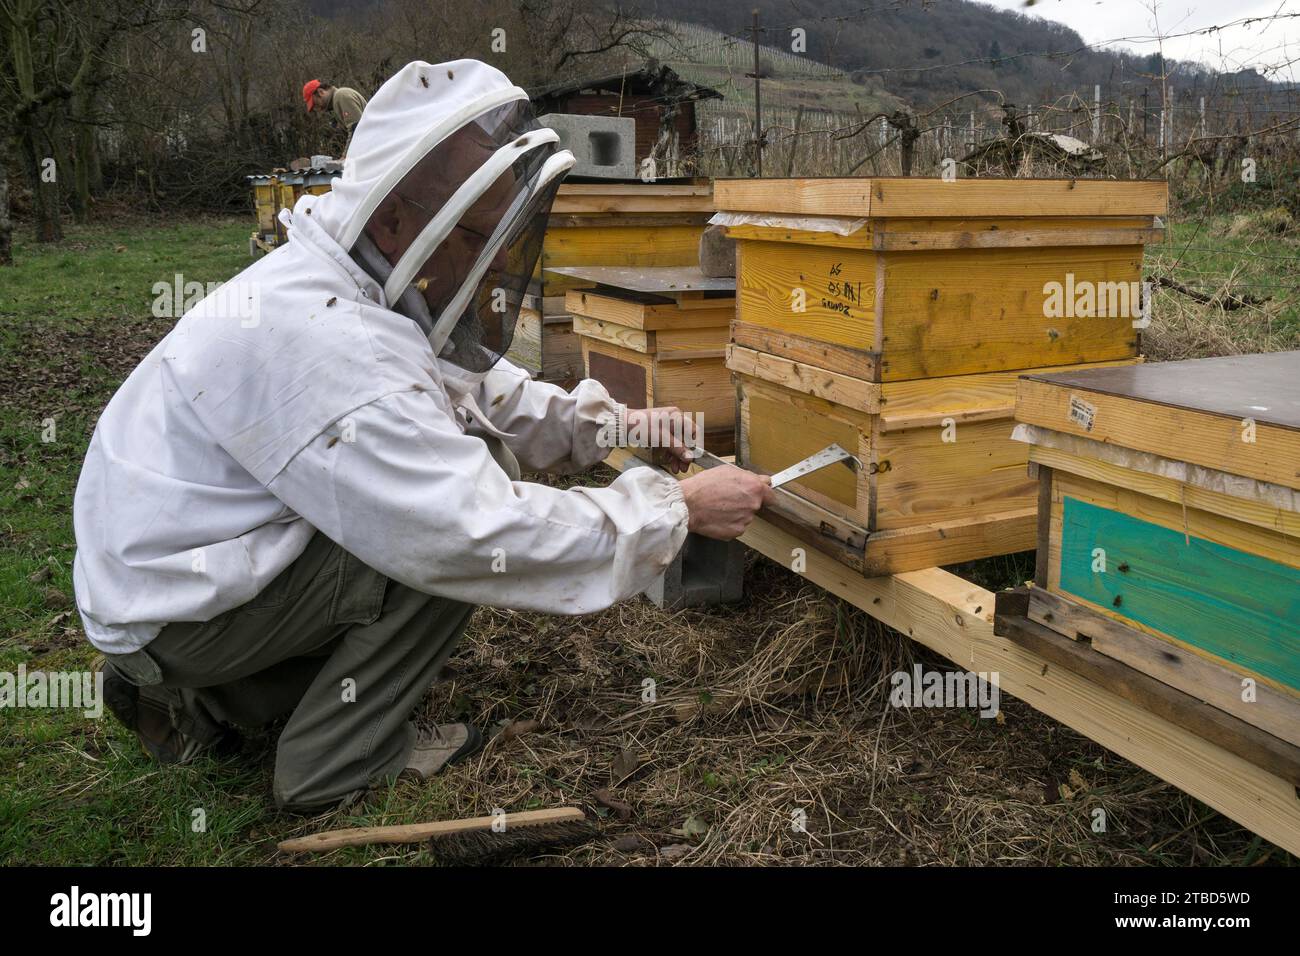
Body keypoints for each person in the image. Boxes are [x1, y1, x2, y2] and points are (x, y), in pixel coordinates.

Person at [73, 59, 773, 812]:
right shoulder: (331, 347)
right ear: (400, 216)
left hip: (169, 581)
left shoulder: (349, 280)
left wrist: (613, 427)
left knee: (446, 475)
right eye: (476, 234)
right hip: (174, 608)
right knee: (431, 538)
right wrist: (675, 509)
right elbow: (469, 532)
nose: (490, 259)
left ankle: (206, 706)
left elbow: (472, 385)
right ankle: (331, 766)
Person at [303, 79, 367, 154]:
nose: (317, 109)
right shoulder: (337, 100)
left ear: (321, 92)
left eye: (315, 104)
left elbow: (355, 129)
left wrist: (345, 156)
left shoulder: (341, 96)